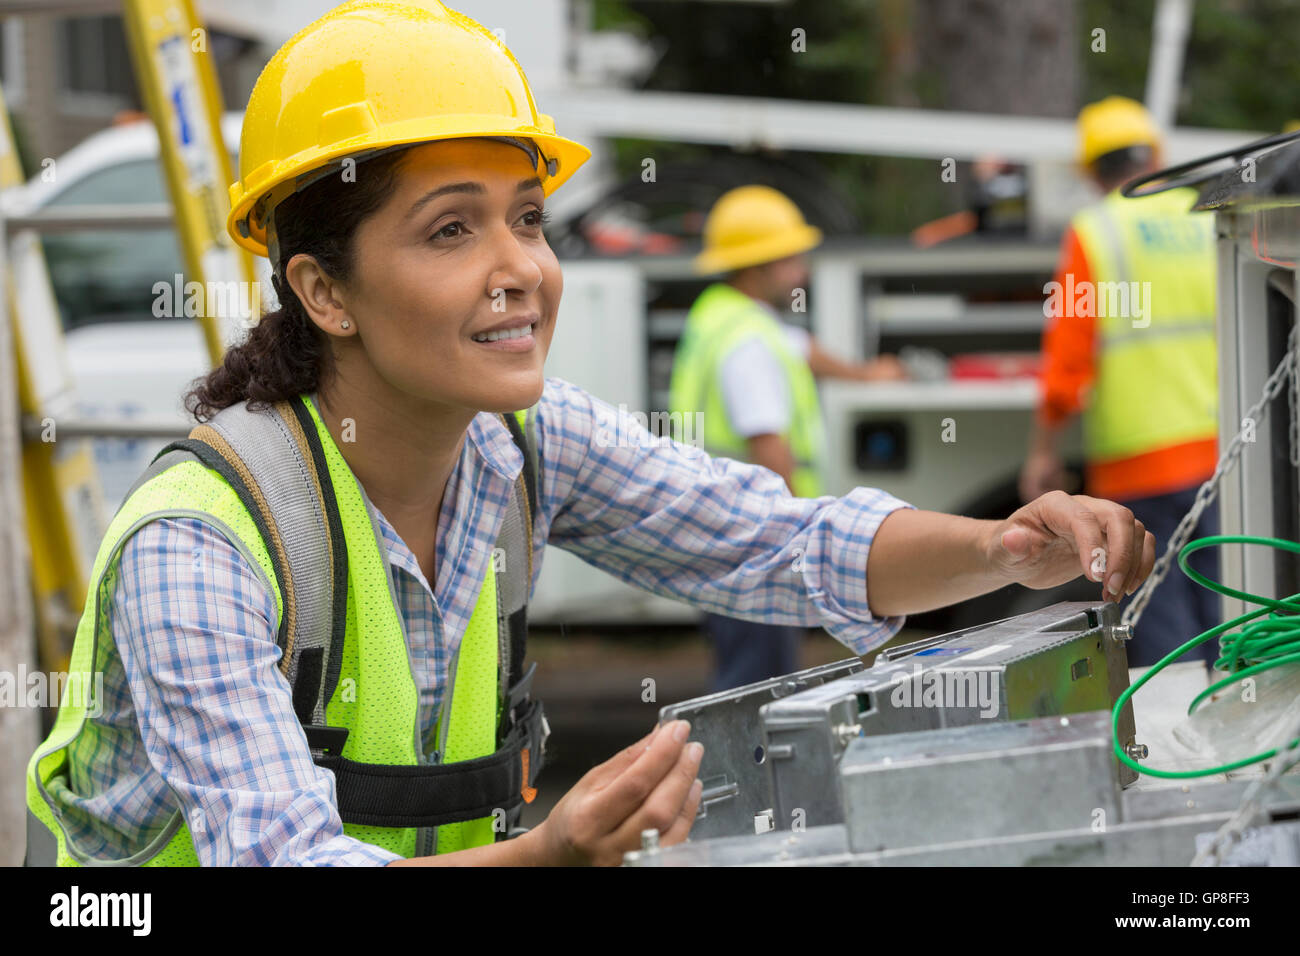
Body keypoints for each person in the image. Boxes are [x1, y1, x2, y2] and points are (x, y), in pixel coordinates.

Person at [28, 1, 1155, 867]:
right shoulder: (202, 544)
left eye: (527, 218)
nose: (519, 267)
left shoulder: (517, 442)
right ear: (325, 291)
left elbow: (768, 540)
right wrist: (550, 851)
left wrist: (1004, 547)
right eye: (450, 228)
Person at [669, 185, 907, 691]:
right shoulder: (749, 343)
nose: (802, 271)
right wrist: (804, 540)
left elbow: (801, 348)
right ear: (758, 267)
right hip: (757, 543)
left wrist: (866, 375)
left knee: (750, 672)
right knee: (761, 685)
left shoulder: (726, 314)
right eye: (791, 259)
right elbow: (769, 446)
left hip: (727, 534)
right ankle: (746, 770)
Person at [1020, 96, 1219, 670]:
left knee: (1162, 630)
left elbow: (1067, 364)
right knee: (1232, 615)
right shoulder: (1203, 216)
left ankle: (1182, 755)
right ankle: (1251, 752)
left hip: (1138, 467)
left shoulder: (1095, 232)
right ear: (1156, 154)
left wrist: (1042, 454)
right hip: (1222, 452)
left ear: (1089, 170)